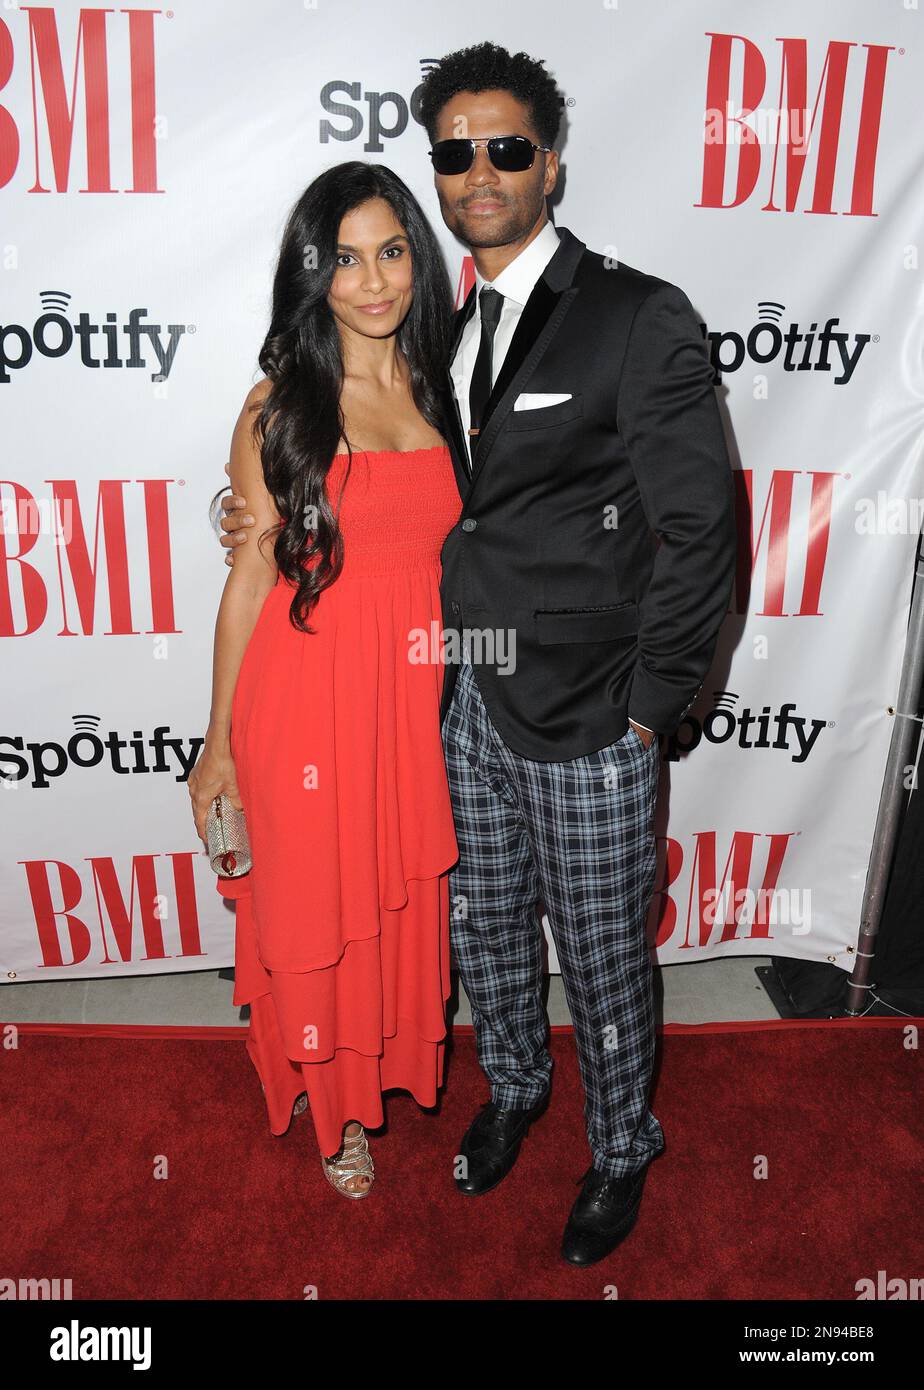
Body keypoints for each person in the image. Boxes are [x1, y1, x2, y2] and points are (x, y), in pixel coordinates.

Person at [221, 42, 737, 1263]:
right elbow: (364, 485)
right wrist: (251, 504)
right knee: (491, 932)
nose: (481, 169)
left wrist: (650, 710)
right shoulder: (435, 331)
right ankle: (513, 1088)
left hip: (590, 712)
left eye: (507, 146)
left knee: (605, 957)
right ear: (437, 171)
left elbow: (701, 521)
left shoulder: (635, 313)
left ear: (550, 160)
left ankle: (623, 1150)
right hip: (450, 703)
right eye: (455, 150)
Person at [189, 162, 461, 1198]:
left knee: (387, 910)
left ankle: (369, 1071)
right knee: (316, 913)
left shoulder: (442, 389)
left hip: (402, 714)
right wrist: (217, 744)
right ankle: (337, 1116)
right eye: (345, 259)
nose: (374, 281)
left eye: (392, 251)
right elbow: (250, 577)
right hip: (299, 708)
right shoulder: (281, 405)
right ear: (314, 274)